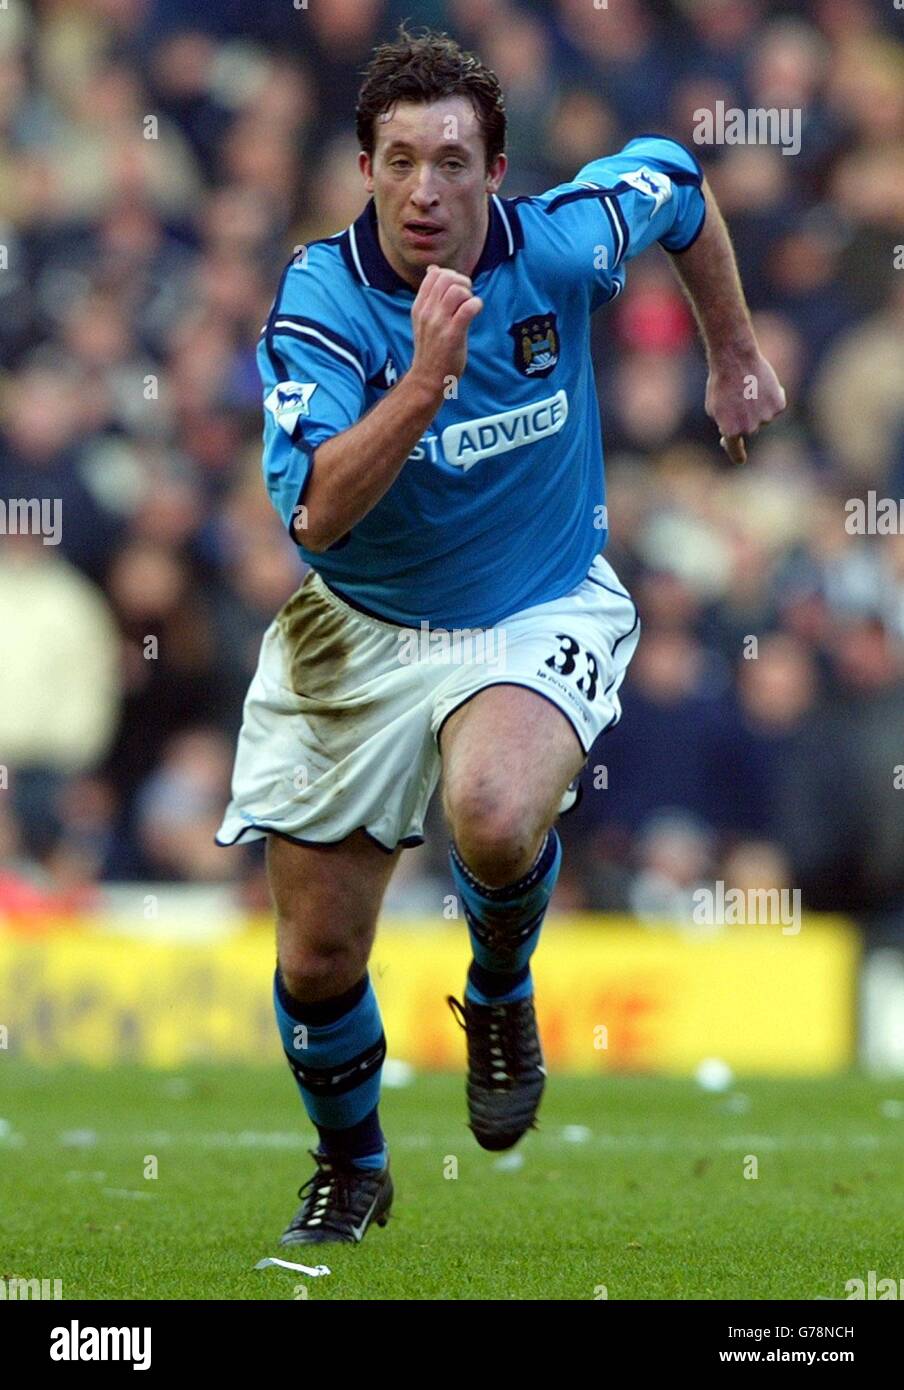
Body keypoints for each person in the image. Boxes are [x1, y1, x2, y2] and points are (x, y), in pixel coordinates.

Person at [216, 28, 785, 1246]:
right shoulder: (318, 301)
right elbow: (311, 508)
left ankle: (499, 988)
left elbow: (680, 187)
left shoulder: (569, 240)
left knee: (491, 809)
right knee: (319, 958)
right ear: (364, 167)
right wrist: (419, 383)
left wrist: (732, 352)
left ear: (497, 166)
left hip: (536, 604)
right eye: (401, 161)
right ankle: (352, 1164)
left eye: (455, 162)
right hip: (358, 628)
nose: (427, 191)